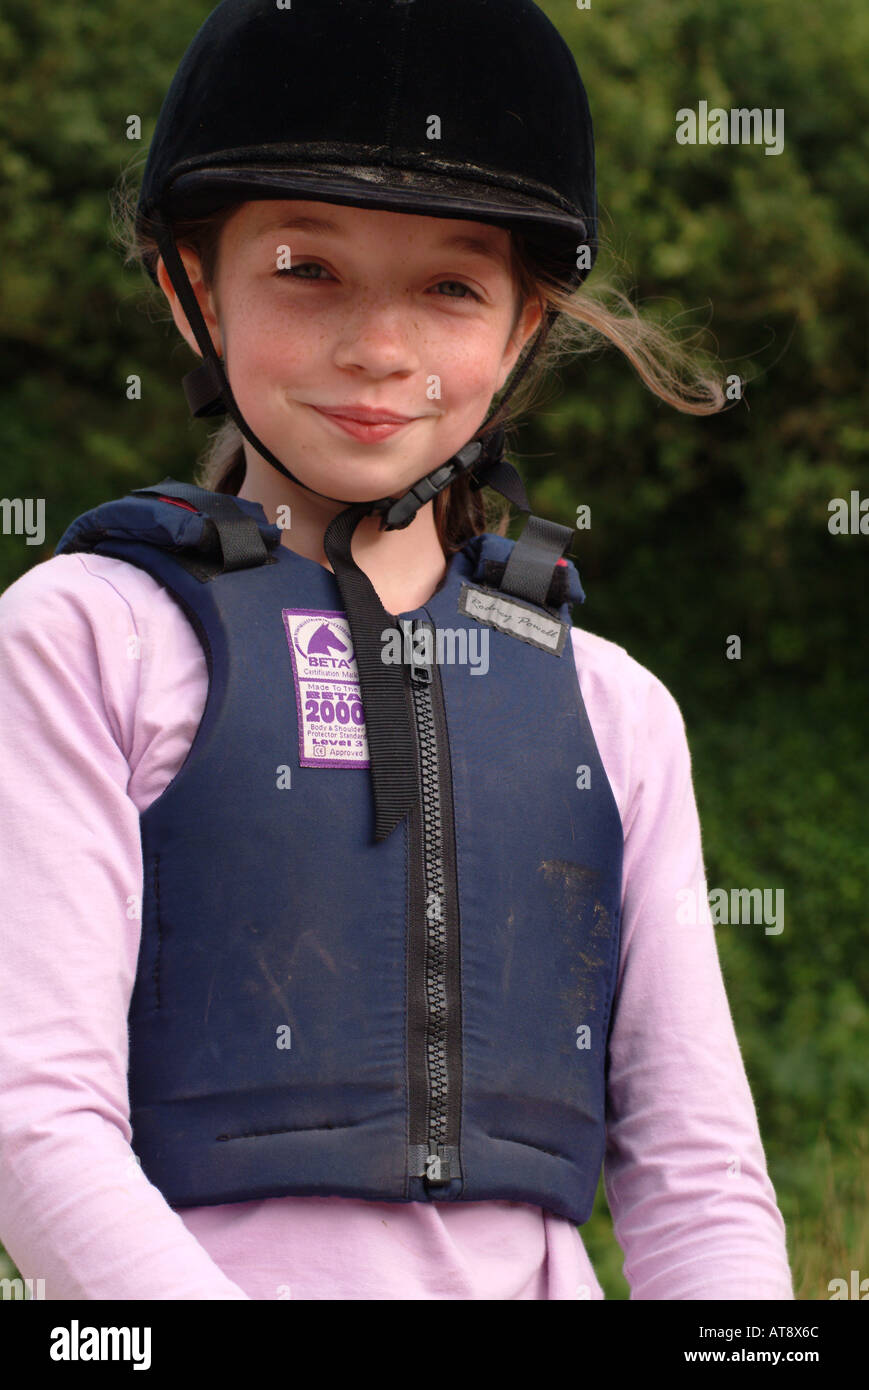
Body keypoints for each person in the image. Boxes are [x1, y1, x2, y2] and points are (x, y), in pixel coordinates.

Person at [0, 0, 794, 1299]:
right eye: (306, 269)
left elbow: (696, 1173)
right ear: (191, 286)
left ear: (522, 327)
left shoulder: (616, 706)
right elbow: (28, 1112)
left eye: (448, 287)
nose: (377, 348)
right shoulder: (84, 638)